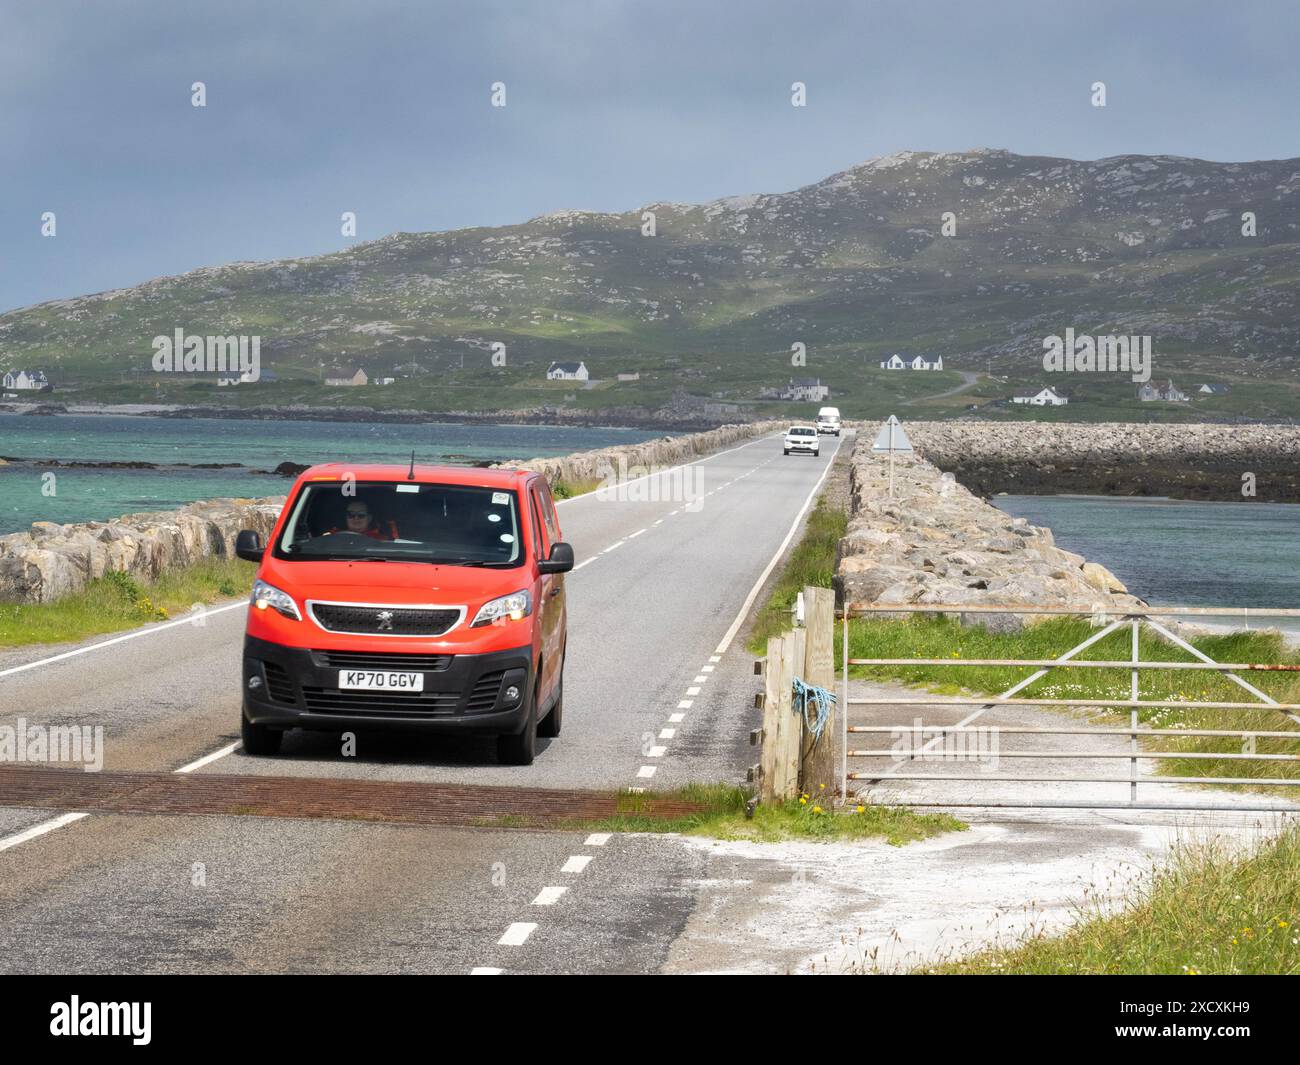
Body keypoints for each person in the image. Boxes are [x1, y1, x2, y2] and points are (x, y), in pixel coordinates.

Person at [329, 500, 399, 540]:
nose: (356, 518)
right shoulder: (334, 537)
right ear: (346, 518)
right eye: (351, 515)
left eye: (361, 515)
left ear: (369, 518)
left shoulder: (380, 540)